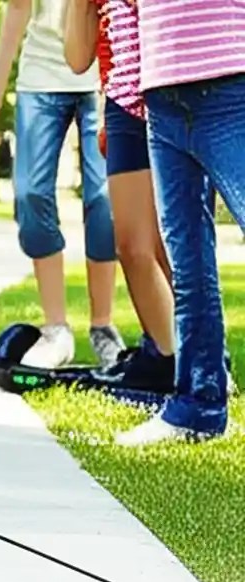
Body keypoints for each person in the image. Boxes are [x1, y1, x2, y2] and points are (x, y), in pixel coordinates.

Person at [112, 0, 245, 446]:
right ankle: (198, 406)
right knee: (188, 265)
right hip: (161, 95)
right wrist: (131, 90)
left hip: (229, 84)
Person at [0, 0, 124, 370]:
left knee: (105, 199)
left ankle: (103, 327)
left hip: (102, 78)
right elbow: (18, 8)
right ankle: (56, 329)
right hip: (40, 78)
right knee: (30, 194)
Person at [61, 0, 176, 394]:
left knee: (173, 243)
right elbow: (77, 58)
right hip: (123, 105)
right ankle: (171, 361)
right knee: (133, 245)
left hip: (177, 92)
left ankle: (202, 363)